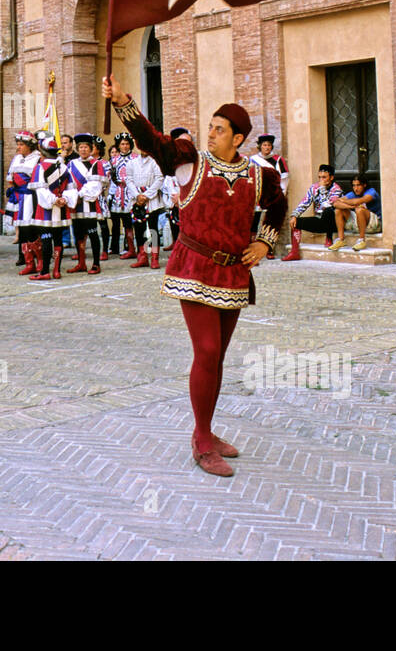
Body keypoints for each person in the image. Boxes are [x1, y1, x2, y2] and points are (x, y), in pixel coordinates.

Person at [104, 75, 286, 478]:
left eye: (220, 130)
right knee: (205, 351)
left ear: (239, 139)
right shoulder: (190, 160)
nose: (211, 133)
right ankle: (202, 440)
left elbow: (279, 204)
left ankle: (206, 429)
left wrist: (264, 243)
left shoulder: (260, 176)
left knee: (216, 357)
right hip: (194, 267)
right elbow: (153, 140)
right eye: (211, 127)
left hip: (234, 273)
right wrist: (123, 102)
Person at [27, 133, 70, 280]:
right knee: (58, 239)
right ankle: (56, 271)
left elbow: (41, 190)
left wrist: (53, 200)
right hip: (61, 207)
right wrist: (63, 199)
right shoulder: (64, 167)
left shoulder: (40, 167)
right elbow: (71, 188)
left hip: (46, 209)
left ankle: (45, 271)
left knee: (46, 239)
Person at [281, 164, 342, 260]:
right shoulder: (314, 187)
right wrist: (295, 215)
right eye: (319, 177)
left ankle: (329, 238)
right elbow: (305, 202)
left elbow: (327, 205)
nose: (321, 180)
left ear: (331, 178)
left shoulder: (336, 189)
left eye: (324, 177)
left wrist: (322, 189)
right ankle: (294, 252)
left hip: (334, 223)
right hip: (319, 220)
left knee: (328, 211)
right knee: (296, 222)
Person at [67, 133, 107, 274]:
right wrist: (71, 196)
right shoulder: (71, 164)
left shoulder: (97, 164)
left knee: (93, 233)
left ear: (91, 149)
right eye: (81, 147)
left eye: (86, 147)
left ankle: (96, 263)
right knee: (78, 234)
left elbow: (95, 186)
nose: (83, 150)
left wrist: (79, 194)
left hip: (89, 204)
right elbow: (68, 183)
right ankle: (81, 263)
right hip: (75, 205)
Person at [128, 140, 167, 268]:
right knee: (139, 228)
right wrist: (137, 195)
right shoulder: (132, 162)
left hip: (152, 199)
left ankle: (154, 257)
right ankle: (143, 256)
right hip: (137, 199)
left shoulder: (155, 161)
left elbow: (159, 178)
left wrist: (147, 195)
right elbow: (129, 180)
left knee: (153, 228)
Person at [250, 134, 290, 258]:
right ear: (260, 146)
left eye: (269, 145)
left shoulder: (278, 160)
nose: (267, 147)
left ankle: (269, 248)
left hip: (273, 194)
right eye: (264, 145)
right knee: (254, 221)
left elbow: (284, 177)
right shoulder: (253, 159)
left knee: (270, 221)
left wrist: (280, 193)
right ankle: (251, 248)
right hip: (257, 193)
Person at [7, 131, 42, 273]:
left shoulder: (38, 158)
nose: (18, 147)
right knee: (22, 231)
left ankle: (39, 260)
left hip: (32, 198)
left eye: (21, 145)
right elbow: (11, 179)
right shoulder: (17, 159)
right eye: (18, 144)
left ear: (29, 145)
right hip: (19, 198)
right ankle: (28, 263)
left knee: (32, 230)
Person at [108, 132, 138, 259]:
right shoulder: (114, 160)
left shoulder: (136, 158)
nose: (124, 146)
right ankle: (115, 247)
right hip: (117, 192)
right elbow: (111, 178)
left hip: (131, 192)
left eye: (126, 144)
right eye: (122, 144)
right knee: (116, 222)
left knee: (129, 222)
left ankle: (130, 247)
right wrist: (110, 194)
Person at [332, 175, 381, 252]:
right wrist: (351, 207)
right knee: (338, 210)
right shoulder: (352, 194)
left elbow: (358, 201)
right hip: (358, 224)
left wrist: (343, 201)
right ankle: (341, 240)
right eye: (354, 186)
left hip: (374, 224)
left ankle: (362, 240)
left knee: (359, 210)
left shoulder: (371, 192)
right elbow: (335, 203)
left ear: (364, 185)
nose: (356, 188)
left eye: (358, 185)